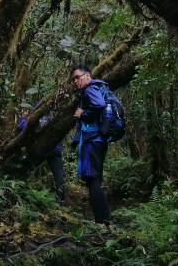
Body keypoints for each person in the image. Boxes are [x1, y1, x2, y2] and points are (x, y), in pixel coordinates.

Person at [71, 64, 111, 227]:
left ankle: (102, 221)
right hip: (99, 140)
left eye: (77, 77)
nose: (75, 81)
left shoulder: (90, 89)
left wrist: (83, 114)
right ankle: (103, 220)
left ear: (87, 75)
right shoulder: (96, 88)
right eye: (73, 79)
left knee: (92, 178)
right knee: (95, 178)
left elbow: (99, 105)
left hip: (92, 140)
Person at [18, 105, 65, 202]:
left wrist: (23, 117)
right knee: (58, 174)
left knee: (27, 166)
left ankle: (19, 189)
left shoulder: (40, 119)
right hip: (56, 148)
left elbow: (22, 127)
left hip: (44, 148)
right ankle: (60, 198)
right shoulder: (56, 117)